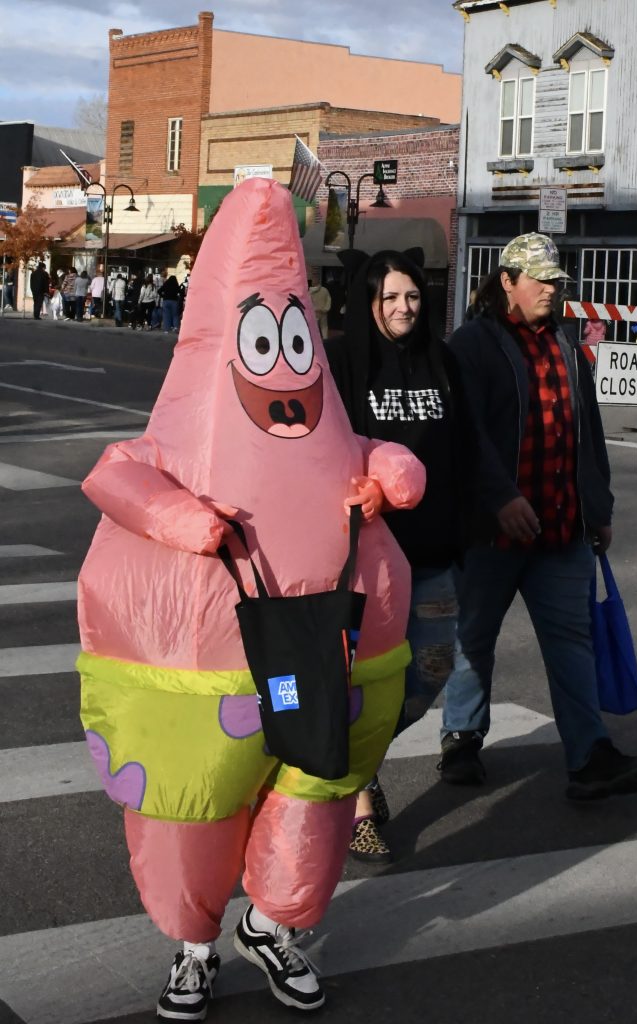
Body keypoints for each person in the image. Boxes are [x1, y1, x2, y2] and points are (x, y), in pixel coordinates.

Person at [76, 177, 425, 1019]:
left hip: (329, 644)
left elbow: (369, 448)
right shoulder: (190, 403)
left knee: (314, 792)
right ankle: (193, 947)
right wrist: (176, 515)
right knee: (193, 800)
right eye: (261, 339)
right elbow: (115, 472)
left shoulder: (321, 402)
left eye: (290, 337)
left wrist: (391, 469)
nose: (279, 361)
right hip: (207, 664)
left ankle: (273, 925)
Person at [438, 232, 637, 799]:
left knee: (572, 640)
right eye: (537, 279)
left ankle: (590, 756)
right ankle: (462, 737)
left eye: (556, 281)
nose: (550, 290)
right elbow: (464, 438)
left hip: (561, 527)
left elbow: (588, 435)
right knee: (473, 636)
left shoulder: (566, 347)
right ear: (507, 281)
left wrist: (600, 507)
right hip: (491, 532)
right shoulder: (472, 345)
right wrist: (497, 498)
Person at [329, 249, 477, 862]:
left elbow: (464, 446)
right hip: (369, 561)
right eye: (390, 298)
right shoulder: (341, 362)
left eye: (412, 297)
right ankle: (357, 794)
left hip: (435, 551)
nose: (403, 308)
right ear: (370, 302)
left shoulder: (442, 361)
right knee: (361, 680)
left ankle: (362, 759)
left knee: (431, 672)